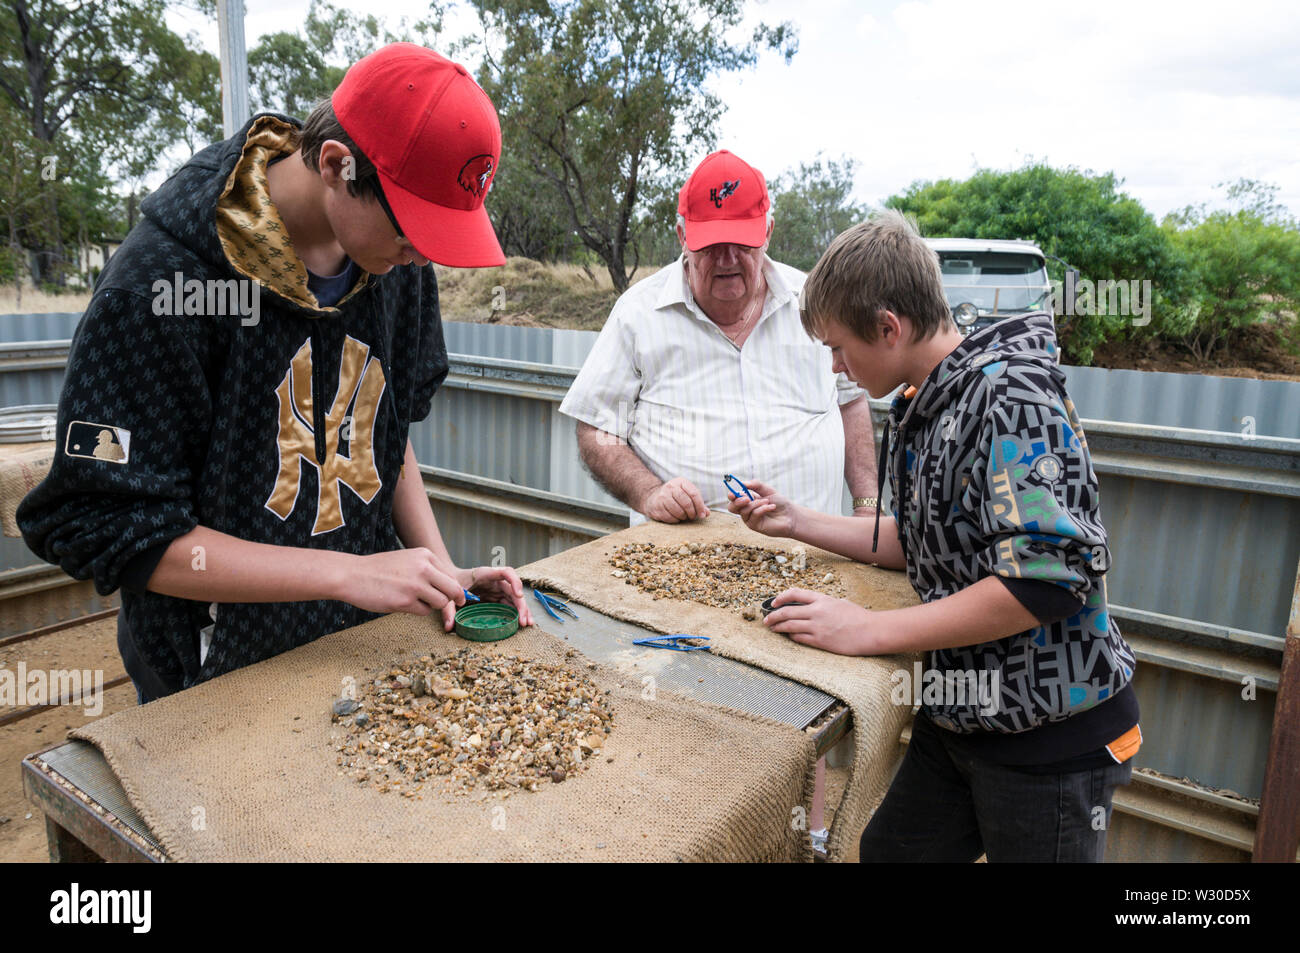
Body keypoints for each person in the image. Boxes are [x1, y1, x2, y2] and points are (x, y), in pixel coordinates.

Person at [18, 43, 533, 704]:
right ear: (337, 165)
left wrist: (445, 573)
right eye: (411, 232)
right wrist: (347, 573)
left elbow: (387, 428)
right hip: (211, 669)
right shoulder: (167, 281)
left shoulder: (392, 265)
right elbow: (113, 528)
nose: (418, 258)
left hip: (355, 647)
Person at [729, 209, 1140, 862]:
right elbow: (926, 537)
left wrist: (867, 628)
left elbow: (1044, 581)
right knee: (891, 851)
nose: (836, 366)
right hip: (959, 716)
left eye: (839, 346)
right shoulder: (930, 398)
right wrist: (796, 520)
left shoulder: (1009, 402)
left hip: (1047, 740)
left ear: (888, 328)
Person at [559, 150, 877, 526]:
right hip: (679, 568)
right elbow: (599, 427)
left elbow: (850, 403)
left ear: (768, 233)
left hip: (814, 558)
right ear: (682, 237)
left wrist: (867, 507)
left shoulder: (814, 301)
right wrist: (649, 493)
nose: (726, 259)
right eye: (710, 245)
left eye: (741, 242)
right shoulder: (638, 314)